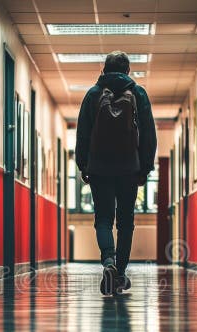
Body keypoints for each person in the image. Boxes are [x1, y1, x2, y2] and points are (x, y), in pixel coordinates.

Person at [75, 51, 157, 295]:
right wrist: (146, 167)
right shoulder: (139, 93)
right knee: (125, 222)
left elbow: (83, 133)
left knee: (103, 219)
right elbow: (149, 134)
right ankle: (120, 273)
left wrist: (83, 164)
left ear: (104, 69)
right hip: (129, 168)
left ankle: (108, 261)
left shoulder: (92, 94)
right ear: (128, 71)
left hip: (99, 168)